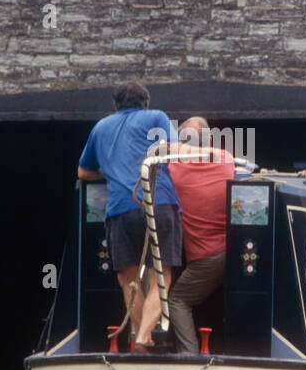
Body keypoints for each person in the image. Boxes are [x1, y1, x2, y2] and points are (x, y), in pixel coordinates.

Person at [77, 82, 182, 350]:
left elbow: (82, 172)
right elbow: (174, 150)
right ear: (145, 103)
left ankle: (139, 340)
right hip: (159, 203)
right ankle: (146, 336)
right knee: (160, 276)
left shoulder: (100, 127)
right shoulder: (156, 116)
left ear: (114, 105)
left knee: (129, 280)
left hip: (121, 209)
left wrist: (107, 172)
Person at [165, 117, 235, 354]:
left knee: (176, 300)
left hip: (206, 258)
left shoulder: (173, 169)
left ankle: (189, 355)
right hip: (231, 251)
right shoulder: (226, 158)